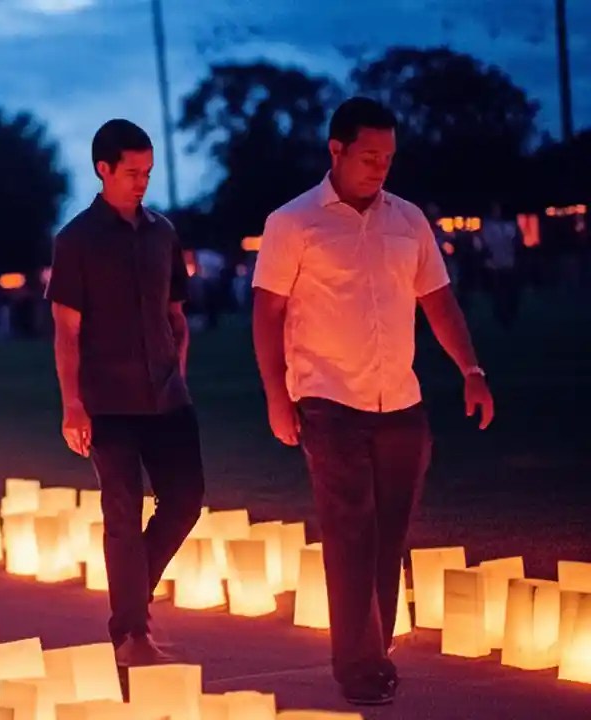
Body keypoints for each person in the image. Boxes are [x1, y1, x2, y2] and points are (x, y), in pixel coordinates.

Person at [251, 97, 495, 707]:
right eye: (368, 156)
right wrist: (277, 395)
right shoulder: (293, 222)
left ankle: (373, 652)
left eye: (388, 157)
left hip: (401, 403)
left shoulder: (408, 221)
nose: (380, 167)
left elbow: (438, 300)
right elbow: (267, 312)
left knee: (389, 534)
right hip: (329, 400)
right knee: (350, 532)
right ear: (335, 150)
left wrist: (470, 368)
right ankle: (359, 665)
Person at [45, 119, 204, 668]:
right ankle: (130, 632)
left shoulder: (163, 233)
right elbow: (65, 329)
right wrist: (72, 403)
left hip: (167, 397)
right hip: (106, 401)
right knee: (122, 512)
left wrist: (175, 369)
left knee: (186, 500)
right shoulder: (76, 241)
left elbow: (177, 316)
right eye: (132, 172)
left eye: (149, 172)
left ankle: (134, 589)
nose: (142, 182)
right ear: (103, 169)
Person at [480, 201, 521, 328]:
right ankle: (502, 316)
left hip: (508, 264)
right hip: (495, 266)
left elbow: (517, 241)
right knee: (499, 292)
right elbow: (484, 245)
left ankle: (509, 315)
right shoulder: (489, 226)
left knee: (509, 291)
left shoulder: (508, 226)